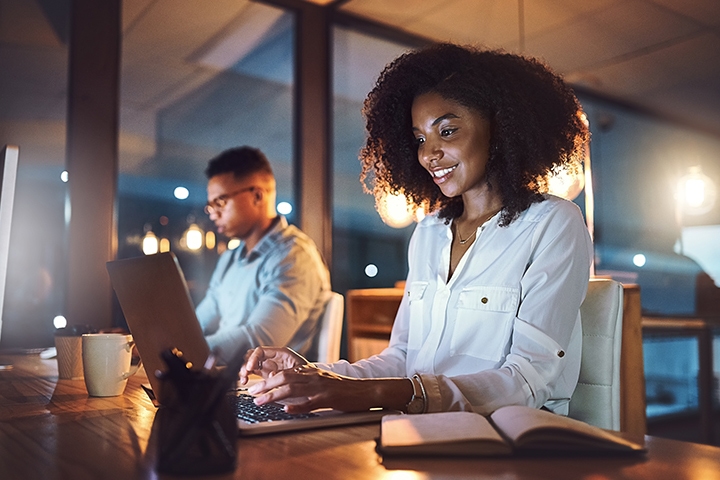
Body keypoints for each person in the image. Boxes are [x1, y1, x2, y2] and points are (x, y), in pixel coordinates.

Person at [240, 44, 593, 416]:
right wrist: (313, 375)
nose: (428, 154)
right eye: (421, 139)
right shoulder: (429, 233)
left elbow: (526, 381)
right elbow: (404, 358)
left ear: (501, 127)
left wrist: (374, 395)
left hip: (506, 445)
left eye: (448, 131)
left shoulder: (554, 224)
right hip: (418, 432)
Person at [195, 146, 331, 363]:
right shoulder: (230, 257)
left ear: (257, 196)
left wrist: (184, 349)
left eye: (220, 202)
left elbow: (259, 339)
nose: (214, 214)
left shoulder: (294, 257)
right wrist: (162, 343)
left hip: (268, 388)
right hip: (224, 379)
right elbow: (200, 321)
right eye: (210, 206)